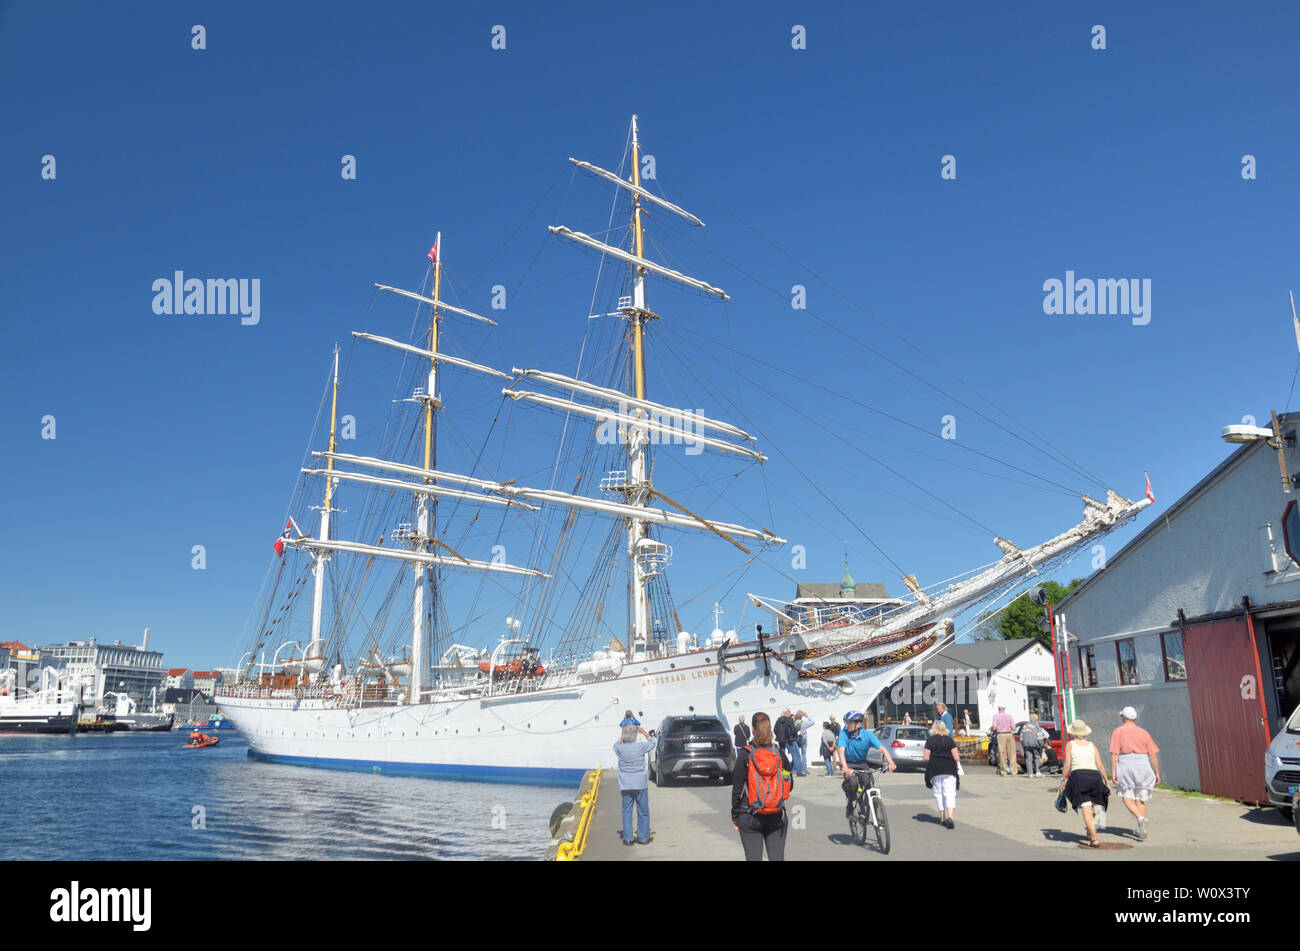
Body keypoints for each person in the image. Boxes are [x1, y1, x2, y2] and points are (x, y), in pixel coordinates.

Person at [731, 712, 794, 861]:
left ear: (752, 729)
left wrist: (735, 816)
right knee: (777, 857)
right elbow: (789, 784)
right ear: (770, 728)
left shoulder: (745, 755)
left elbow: (737, 790)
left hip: (750, 814)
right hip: (776, 813)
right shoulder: (779, 754)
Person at [1057, 720, 1113, 848]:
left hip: (1079, 777)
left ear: (1073, 733)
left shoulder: (1070, 744)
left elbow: (1067, 764)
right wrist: (1107, 782)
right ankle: (1090, 829)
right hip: (1094, 777)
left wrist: (1063, 779)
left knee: (1086, 808)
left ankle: (1094, 839)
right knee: (1094, 805)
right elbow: (1100, 764)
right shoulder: (1092, 745)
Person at [1109, 706, 1161, 840]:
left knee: (1126, 797)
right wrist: (1156, 772)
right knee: (1140, 799)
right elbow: (1152, 755)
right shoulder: (1144, 732)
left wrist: (1113, 771)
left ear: (1125, 717)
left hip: (1126, 765)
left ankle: (1141, 819)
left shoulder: (1118, 731)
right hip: (1143, 765)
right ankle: (1141, 830)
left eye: (1122, 716)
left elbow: (1114, 753)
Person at [835, 711, 896, 817]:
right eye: (847, 723)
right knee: (852, 783)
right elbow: (841, 751)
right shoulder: (844, 734)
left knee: (870, 784)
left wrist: (891, 762)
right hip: (849, 763)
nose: (847, 725)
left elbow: (882, 749)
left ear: (858, 724)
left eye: (850, 723)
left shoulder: (867, 735)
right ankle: (850, 803)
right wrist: (845, 768)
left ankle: (872, 809)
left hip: (862, 762)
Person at [613, 724, 654, 846]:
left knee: (627, 812)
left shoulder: (620, 748)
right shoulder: (641, 746)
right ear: (636, 735)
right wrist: (643, 732)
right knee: (643, 812)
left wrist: (623, 736)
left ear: (624, 735)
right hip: (640, 784)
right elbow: (653, 742)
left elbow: (615, 745)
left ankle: (628, 838)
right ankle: (643, 838)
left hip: (625, 785)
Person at [923, 719, 961, 829]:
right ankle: (951, 817)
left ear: (933, 729)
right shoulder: (950, 741)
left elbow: (926, 758)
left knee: (939, 794)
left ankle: (942, 818)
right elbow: (956, 757)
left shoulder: (930, 741)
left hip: (935, 770)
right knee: (950, 794)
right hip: (949, 770)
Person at [991, 704, 1017, 776]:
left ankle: (1004, 772)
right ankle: (1013, 772)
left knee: (1002, 753)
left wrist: (993, 728)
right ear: (1004, 708)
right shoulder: (1009, 716)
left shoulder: (996, 716)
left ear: (998, 709)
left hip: (1001, 735)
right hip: (1009, 734)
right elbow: (1014, 728)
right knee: (1012, 753)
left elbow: (994, 728)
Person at [775, 709, 799, 774]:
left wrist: (779, 736)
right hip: (788, 740)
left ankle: (782, 769)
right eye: (789, 712)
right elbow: (793, 730)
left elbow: (775, 729)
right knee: (794, 754)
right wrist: (792, 736)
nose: (790, 713)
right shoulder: (789, 720)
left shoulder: (778, 720)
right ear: (785, 713)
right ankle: (796, 770)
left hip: (781, 740)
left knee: (782, 754)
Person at [793, 709, 813, 776]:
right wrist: (807, 716)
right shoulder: (804, 722)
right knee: (803, 754)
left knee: (796, 754)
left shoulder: (794, 723)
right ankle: (804, 770)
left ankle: (795, 769)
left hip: (796, 739)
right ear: (802, 716)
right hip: (803, 739)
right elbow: (813, 721)